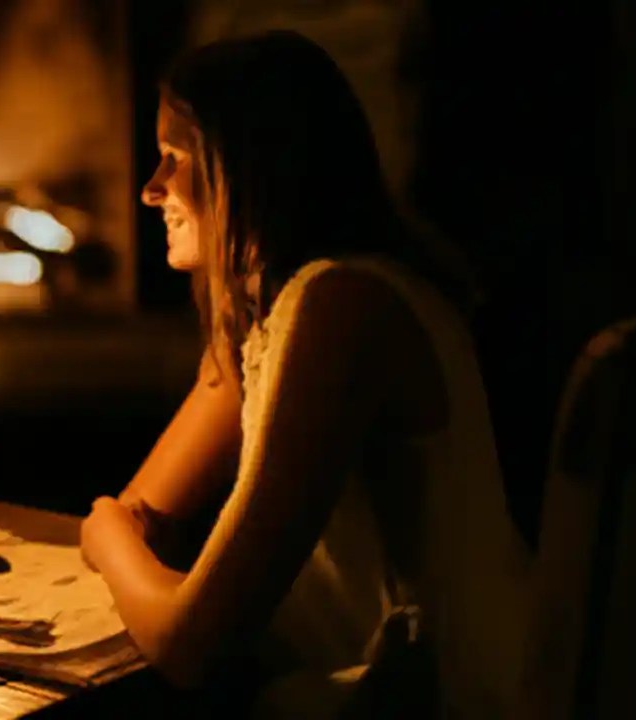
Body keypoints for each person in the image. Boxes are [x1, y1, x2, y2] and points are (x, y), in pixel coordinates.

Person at [80, 32, 531, 717]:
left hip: (445, 700)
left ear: (247, 167)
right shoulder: (273, 311)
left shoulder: (341, 308)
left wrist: (108, 532)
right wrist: (126, 530)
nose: (150, 190)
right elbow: (151, 508)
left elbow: (188, 640)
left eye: (174, 159)